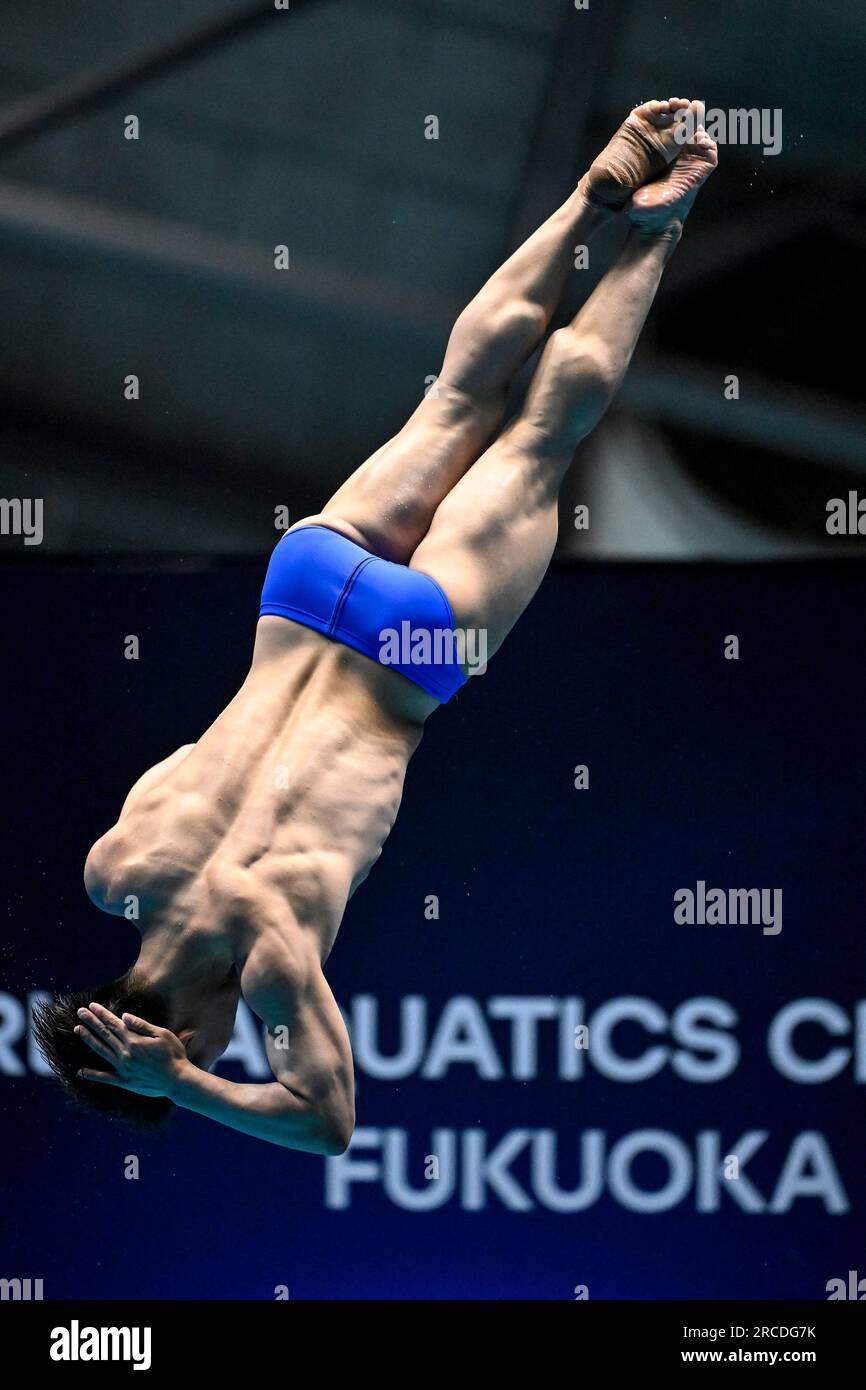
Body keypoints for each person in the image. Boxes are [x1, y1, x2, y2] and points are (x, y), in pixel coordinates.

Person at [35, 100, 717, 1152]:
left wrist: (183, 1088)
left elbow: (329, 1125)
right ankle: (594, 194)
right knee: (455, 398)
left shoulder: (269, 949)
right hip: (307, 588)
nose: (228, 1051)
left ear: (183, 1042)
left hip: (412, 651)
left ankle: (658, 222)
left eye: (212, 1054)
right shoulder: (117, 865)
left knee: (541, 436)